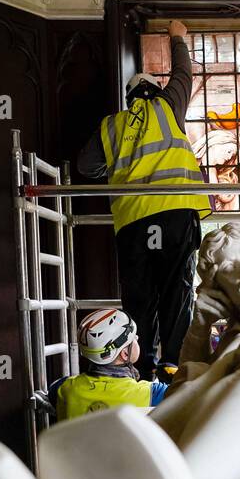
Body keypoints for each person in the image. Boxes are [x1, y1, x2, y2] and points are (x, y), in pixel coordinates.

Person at [78, 20, 208, 383]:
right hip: (174, 214)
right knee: (176, 290)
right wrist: (178, 36)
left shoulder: (112, 125)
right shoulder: (168, 106)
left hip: (133, 222)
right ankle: (172, 365)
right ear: (154, 90)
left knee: (140, 295)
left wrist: (120, 165)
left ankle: (142, 365)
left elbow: (86, 167)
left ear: (130, 99)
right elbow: (185, 73)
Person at [53, 308, 167, 421]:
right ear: (125, 354)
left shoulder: (65, 387)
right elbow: (181, 392)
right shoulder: (152, 393)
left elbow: (52, 391)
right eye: (134, 337)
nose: (137, 338)